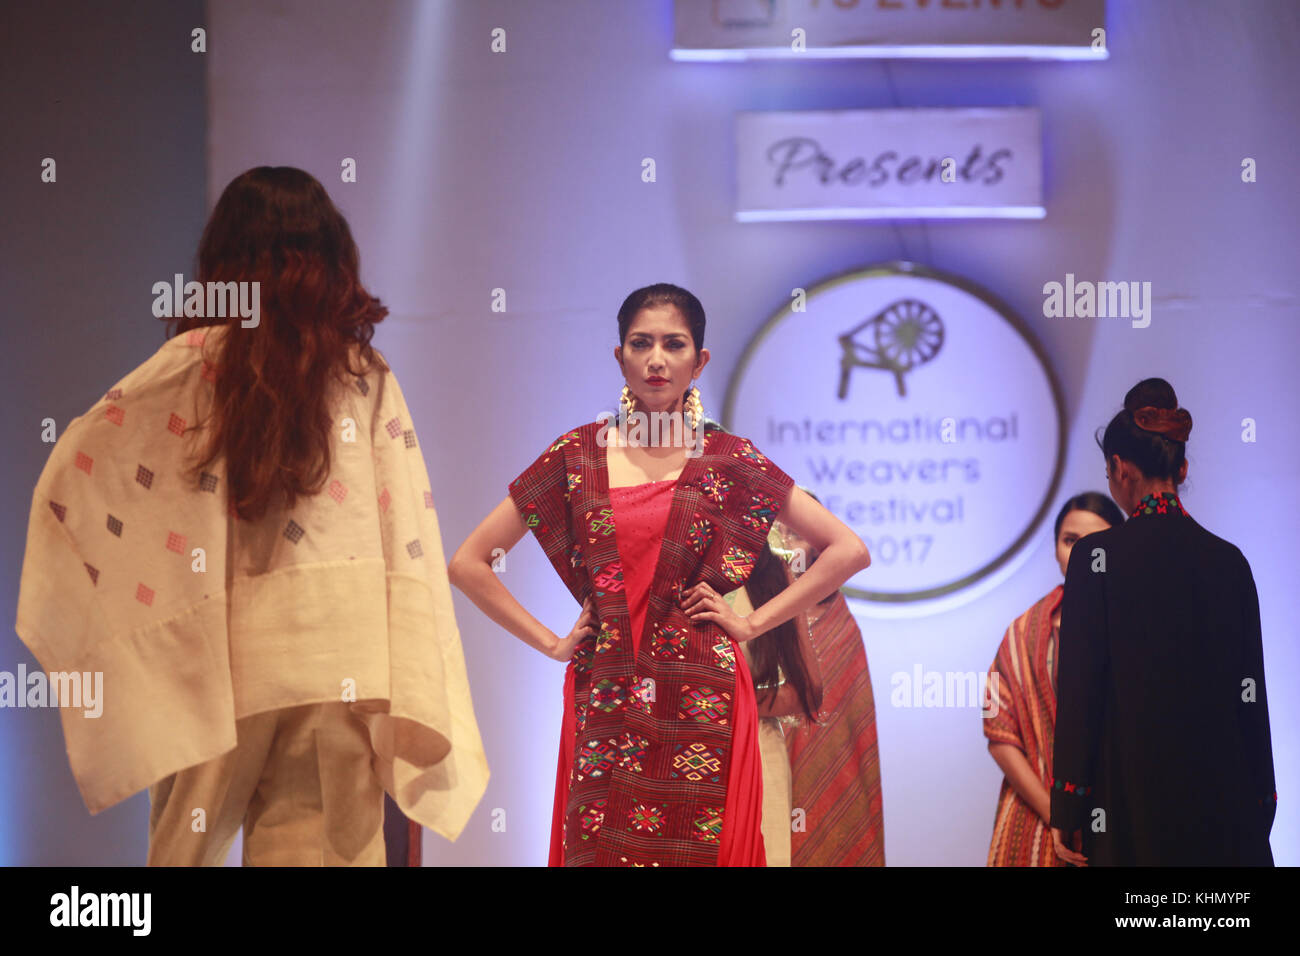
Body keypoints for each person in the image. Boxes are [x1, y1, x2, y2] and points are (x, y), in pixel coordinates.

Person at [14, 166, 489, 865]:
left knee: (185, 855)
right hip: (337, 658)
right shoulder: (362, 374)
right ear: (331, 258)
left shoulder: (187, 369)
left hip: (215, 663)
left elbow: (75, 478)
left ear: (224, 263)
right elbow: (403, 535)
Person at [447, 283, 870, 866]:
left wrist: (751, 625)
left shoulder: (728, 459)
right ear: (618, 355)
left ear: (700, 362)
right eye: (640, 343)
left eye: (674, 345)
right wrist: (551, 643)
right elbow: (468, 563)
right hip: (604, 691)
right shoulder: (577, 456)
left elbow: (847, 549)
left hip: (703, 696)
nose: (656, 359)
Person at [1050, 378, 1276, 866]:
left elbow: (1080, 694)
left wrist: (1068, 802)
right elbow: (1249, 692)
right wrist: (1263, 800)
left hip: (1131, 812)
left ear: (1120, 468)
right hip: (1225, 813)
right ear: (1183, 467)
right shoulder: (1228, 561)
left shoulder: (1095, 559)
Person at [983, 492, 1125, 866]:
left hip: (1122, 814)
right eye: (1069, 540)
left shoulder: (1141, 630)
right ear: (1056, 548)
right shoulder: (1023, 633)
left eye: (1096, 542)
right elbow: (1000, 734)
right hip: (1036, 818)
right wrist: (1057, 813)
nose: (1080, 552)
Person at [775, 502, 886, 867]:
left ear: (820, 549)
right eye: (775, 533)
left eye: (794, 534)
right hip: (763, 766)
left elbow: (849, 731)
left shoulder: (840, 627)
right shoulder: (746, 614)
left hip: (832, 788)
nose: (784, 544)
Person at [723, 529, 823, 866]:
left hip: (756, 753)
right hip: (675, 752)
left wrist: (725, 704)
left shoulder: (770, 571)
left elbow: (806, 692)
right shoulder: (672, 567)